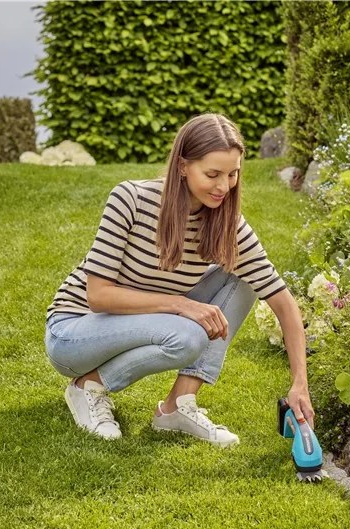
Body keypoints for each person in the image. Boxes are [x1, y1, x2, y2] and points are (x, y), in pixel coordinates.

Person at [44, 113, 314, 447]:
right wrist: (181, 305)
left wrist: (300, 383)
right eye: (212, 174)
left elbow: (283, 303)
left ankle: (176, 407)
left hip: (145, 320)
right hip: (75, 331)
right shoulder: (131, 199)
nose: (223, 187)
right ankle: (87, 386)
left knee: (245, 278)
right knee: (187, 336)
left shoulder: (228, 226)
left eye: (233, 174)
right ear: (183, 166)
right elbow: (99, 296)